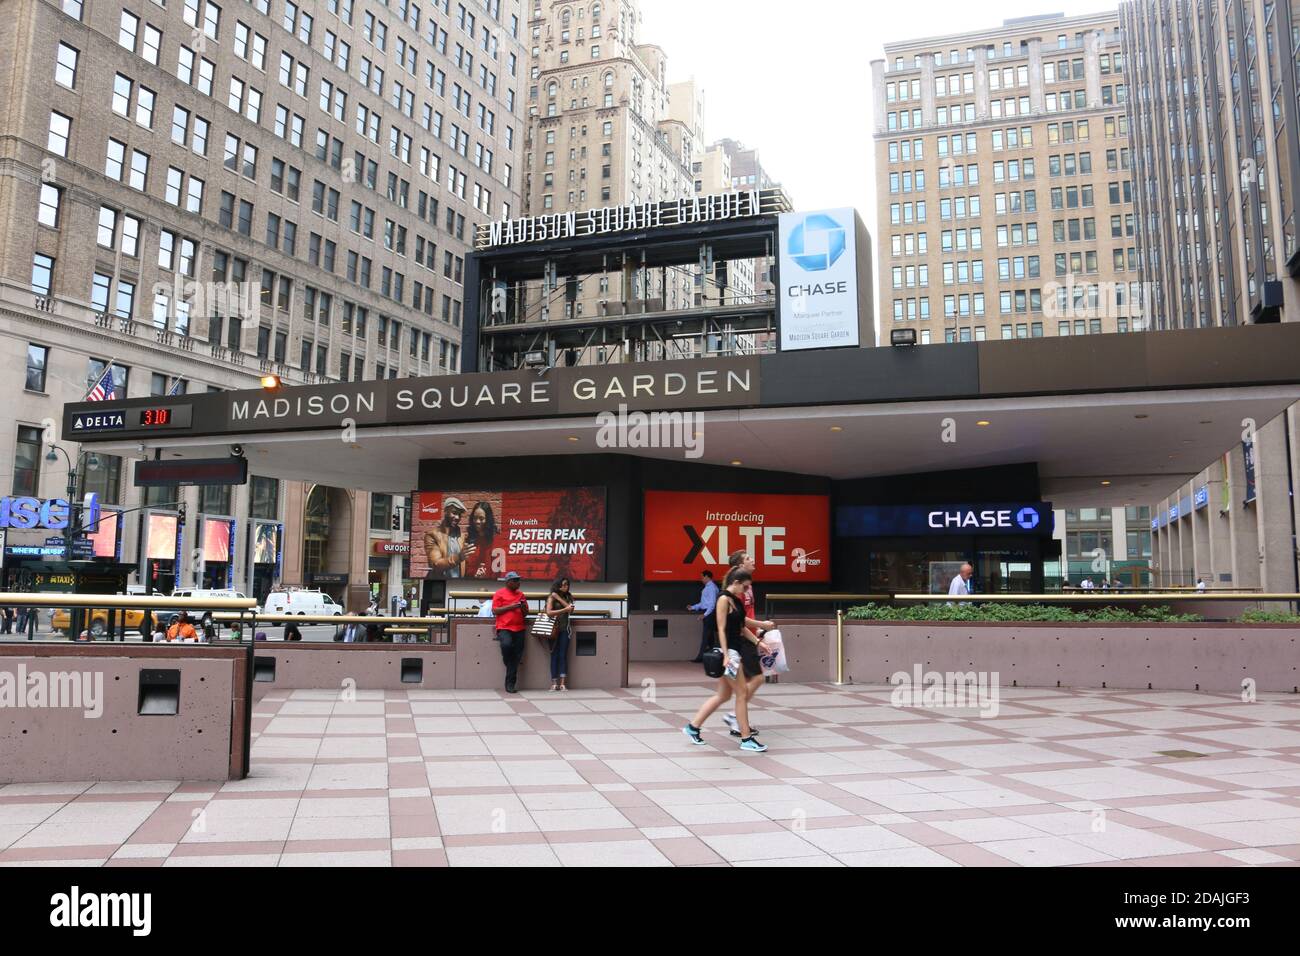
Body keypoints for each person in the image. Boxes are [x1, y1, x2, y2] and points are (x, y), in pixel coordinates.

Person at [683, 568, 769, 752]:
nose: (746, 591)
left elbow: (741, 627)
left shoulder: (735, 600)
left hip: (732, 652)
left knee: (723, 695)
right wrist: (726, 654)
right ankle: (746, 738)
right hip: (729, 653)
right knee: (742, 693)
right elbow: (720, 629)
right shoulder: (723, 599)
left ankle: (692, 727)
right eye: (745, 587)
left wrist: (758, 642)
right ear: (736, 582)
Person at [722, 551, 777, 737]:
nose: (753, 560)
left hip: (748, 637)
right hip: (742, 640)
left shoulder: (747, 586)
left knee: (733, 688)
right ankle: (735, 718)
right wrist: (761, 626)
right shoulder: (737, 591)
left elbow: (747, 616)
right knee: (756, 679)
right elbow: (740, 619)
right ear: (739, 566)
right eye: (748, 559)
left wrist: (758, 632)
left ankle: (737, 720)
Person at [491, 571, 529, 693]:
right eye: (516, 580)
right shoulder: (499, 593)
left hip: (520, 628)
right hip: (504, 627)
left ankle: (510, 684)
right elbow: (495, 611)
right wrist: (511, 607)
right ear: (508, 582)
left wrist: (522, 607)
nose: (518, 583)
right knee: (506, 646)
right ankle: (508, 662)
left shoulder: (521, 594)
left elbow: (526, 613)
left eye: (519, 580)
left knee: (517, 656)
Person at [424, 497, 468, 578]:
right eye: (454, 513)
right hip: (440, 584)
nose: (457, 517)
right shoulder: (432, 535)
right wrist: (459, 557)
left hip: (459, 584)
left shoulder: (461, 536)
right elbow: (435, 564)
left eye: (459, 514)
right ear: (446, 511)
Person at [545, 577, 575, 692]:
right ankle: (554, 683)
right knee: (554, 655)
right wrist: (564, 609)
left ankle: (563, 684)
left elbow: (570, 610)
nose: (565, 587)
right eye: (563, 585)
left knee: (563, 655)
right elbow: (549, 613)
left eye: (567, 584)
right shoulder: (550, 597)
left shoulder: (568, 597)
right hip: (553, 630)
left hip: (565, 630)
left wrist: (558, 597)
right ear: (557, 585)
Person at [687, 570, 720, 664]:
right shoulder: (708, 587)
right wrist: (693, 607)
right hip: (708, 613)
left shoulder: (711, 588)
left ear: (707, 577)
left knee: (706, 636)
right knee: (710, 638)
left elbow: (712, 604)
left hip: (709, 614)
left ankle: (700, 657)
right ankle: (713, 657)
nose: (701, 579)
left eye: (702, 577)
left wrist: (705, 615)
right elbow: (703, 603)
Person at [464, 501, 498, 579]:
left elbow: (499, 571)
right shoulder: (468, 541)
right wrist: (475, 576)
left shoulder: (495, 540)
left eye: (481, 518)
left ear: (488, 519)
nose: (477, 522)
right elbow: (466, 569)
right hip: (470, 585)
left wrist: (485, 576)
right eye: (475, 518)